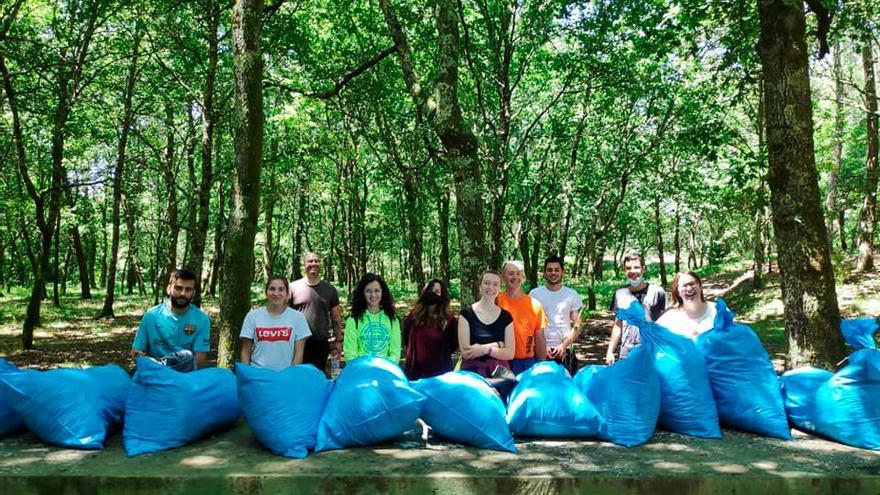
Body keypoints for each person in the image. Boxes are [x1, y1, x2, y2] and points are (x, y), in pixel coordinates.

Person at [131, 269, 210, 372]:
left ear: (193, 293)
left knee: (187, 355)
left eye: (188, 289)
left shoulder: (202, 319)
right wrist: (151, 362)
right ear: (168, 289)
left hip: (185, 375)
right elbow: (136, 352)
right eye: (178, 288)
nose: (183, 293)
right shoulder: (151, 316)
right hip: (155, 371)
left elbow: (199, 359)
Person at [239, 276, 312, 371]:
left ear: (287, 294)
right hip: (258, 375)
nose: (276, 293)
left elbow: (298, 354)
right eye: (272, 289)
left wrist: (291, 375)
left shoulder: (298, 318)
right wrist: (247, 375)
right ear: (266, 292)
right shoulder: (252, 316)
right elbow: (245, 351)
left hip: (285, 376)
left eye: (281, 289)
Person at [289, 252, 344, 373]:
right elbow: (284, 316)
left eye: (316, 261)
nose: (313, 264)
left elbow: (336, 317)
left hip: (321, 343)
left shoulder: (329, 289)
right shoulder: (292, 288)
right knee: (298, 377)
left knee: (318, 377)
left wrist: (338, 341)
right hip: (297, 343)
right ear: (304, 264)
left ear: (320, 264)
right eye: (310, 261)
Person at [606, 253, 667, 364]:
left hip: (651, 352)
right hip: (626, 353)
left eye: (636, 267)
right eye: (628, 268)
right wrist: (610, 351)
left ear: (643, 269)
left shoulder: (657, 292)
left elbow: (665, 324)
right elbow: (618, 324)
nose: (632, 271)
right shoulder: (620, 294)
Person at [529, 255, 584, 375]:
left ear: (562, 272)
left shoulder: (571, 294)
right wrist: (541, 346)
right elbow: (529, 325)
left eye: (556, 270)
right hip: (539, 349)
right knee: (541, 387)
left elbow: (578, 324)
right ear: (544, 273)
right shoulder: (534, 294)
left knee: (567, 388)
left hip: (565, 351)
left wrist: (563, 345)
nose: (553, 273)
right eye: (549, 270)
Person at [457, 271, 515, 378]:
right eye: (487, 283)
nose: (491, 287)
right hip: (472, 373)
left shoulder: (506, 317)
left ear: (499, 289)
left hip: (500, 373)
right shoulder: (466, 315)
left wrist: (485, 349)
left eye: (495, 284)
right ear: (480, 286)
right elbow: (466, 352)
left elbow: (510, 353)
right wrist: (498, 345)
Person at [497, 260, 547, 375]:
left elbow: (539, 338)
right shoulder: (495, 301)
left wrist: (542, 366)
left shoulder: (535, 304)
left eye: (518, 273)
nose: (515, 277)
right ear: (503, 276)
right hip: (500, 361)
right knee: (501, 393)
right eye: (510, 273)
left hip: (526, 361)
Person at [402, 279, 457, 380]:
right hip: (415, 372)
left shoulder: (449, 319)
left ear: (442, 294)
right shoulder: (413, 317)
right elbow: (406, 339)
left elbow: (453, 344)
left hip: (440, 373)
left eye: (436, 291)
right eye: (430, 290)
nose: (432, 294)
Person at [344, 273, 401, 362]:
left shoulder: (392, 319)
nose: (373, 295)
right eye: (368, 291)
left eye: (377, 290)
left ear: (382, 292)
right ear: (362, 293)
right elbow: (350, 354)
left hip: (385, 372)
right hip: (362, 372)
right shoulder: (353, 320)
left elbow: (395, 353)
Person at [656, 271, 716, 339]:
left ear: (700, 286)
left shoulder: (717, 310)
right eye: (684, 286)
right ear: (677, 291)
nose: (689, 289)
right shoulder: (669, 318)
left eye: (692, 284)